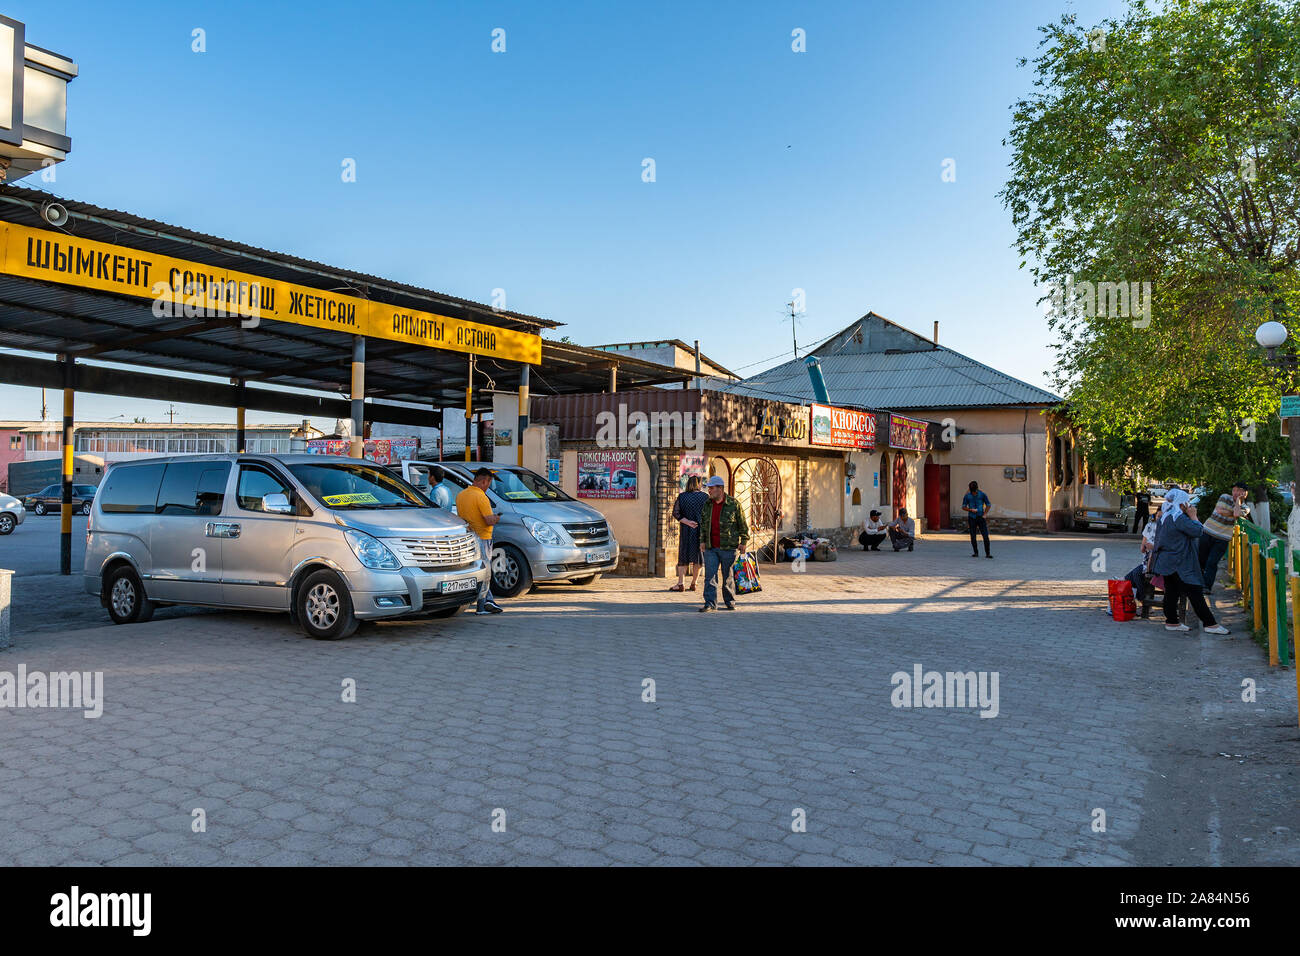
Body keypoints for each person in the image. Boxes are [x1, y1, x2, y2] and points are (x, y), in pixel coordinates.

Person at [1150, 488, 1228, 634]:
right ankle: (1210, 624)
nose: (1188, 505)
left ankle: (1172, 622)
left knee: (1172, 592)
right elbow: (1199, 531)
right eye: (1187, 502)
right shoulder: (1180, 518)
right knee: (1195, 591)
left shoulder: (1165, 516)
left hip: (1166, 561)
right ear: (1181, 503)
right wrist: (1194, 516)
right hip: (1179, 563)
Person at [455, 468, 504, 615]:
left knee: (474, 571)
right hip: (483, 538)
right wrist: (497, 518)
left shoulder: (460, 495)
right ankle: (483, 605)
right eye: (489, 483)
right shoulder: (481, 497)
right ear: (484, 481)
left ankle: (487, 601)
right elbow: (488, 520)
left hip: (468, 538)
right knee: (485, 573)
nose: (488, 486)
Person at [698, 475, 749, 611]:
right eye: (708, 489)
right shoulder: (707, 505)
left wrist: (743, 542)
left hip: (729, 547)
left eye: (711, 488)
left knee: (728, 576)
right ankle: (710, 603)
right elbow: (703, 525)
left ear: (720, 489)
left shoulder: (734, 504)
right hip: (711, 547)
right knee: (710, 577)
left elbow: (743, 525)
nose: (709, 491)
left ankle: (729, 601)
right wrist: (702, 541)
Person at [1198, 481, 1249, 595]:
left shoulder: (1246, 507)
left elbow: (1235, 515)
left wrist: (1237, 503)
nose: (1235, 492)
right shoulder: (1224, 497)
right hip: (1207, 532)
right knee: (1201, 559)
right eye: (1234, 490)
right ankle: (1196, 584)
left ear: (1245, 493)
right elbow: (1220, 510)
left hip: (1222, 538)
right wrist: (1234, 512)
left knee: (1212, 562)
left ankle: (1206, 586)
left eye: (1239, 490)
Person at [670, 475, 709, 592]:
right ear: (699, 484)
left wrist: (687, 522)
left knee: (683, 556)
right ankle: (694, 583)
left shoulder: (682, 497)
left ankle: (681, 583)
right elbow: (708, 514)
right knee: (698, 557)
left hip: (686, 531)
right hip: (700, 531)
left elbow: (676, 513)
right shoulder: (705, 497)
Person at [962, 480, 993, 558]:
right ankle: (976, 552)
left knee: (985, 536)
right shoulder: (967, 496)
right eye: (972, 492)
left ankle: (988, 553)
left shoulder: (982, 495)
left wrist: (985, 514)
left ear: (977, 489)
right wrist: (970, 510)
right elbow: (963, 507)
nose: (973, 493)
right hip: (972, 518)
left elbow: (988, 504)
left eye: (974, 492)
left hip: (981, 517)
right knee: (973, 536)